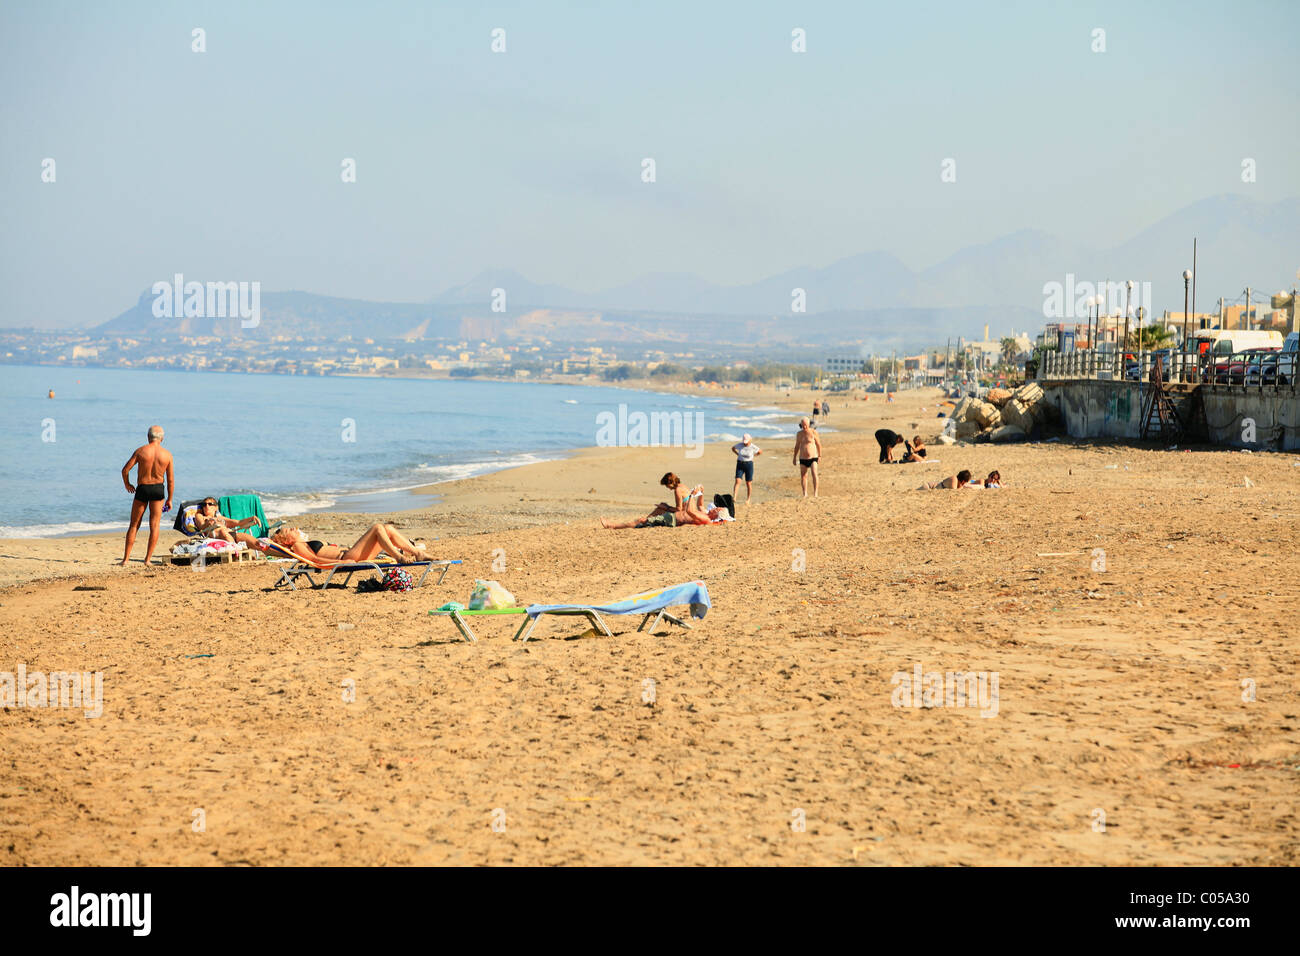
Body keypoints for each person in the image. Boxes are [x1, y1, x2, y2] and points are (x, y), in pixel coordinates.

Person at [120, 425, 174, 566]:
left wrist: (128, 484)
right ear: (162, 438)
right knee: (155, 525)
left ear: (148, 437)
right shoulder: (167, 455)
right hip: (158, 489)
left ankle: (125, 559)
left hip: (142, 488)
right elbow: (170, 480)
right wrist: (170, 499)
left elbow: (125, 470)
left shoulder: (141, 451)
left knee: (134, 524)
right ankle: (148, 560)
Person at [268, 523, 432, 564]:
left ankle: (418, 554)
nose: (294, 528)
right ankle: (398, 556)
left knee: (387, 528)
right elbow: (315, 561)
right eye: (289, 529)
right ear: (285, 540)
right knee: (377, 528)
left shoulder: (304, 542)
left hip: (352, 554)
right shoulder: (298, 546)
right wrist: (340, 562)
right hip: (348, 556)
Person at [600, 472, 710, 529]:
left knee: (659, 509)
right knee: (659, 509)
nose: (668, 488)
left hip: (683, 516)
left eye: (667, 486)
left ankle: (640, 522)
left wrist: (665, 507)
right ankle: (645, 521)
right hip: (688, 515)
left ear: (670, 483)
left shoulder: (677, 490)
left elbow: (679, 509)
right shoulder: (684, 487)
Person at [192, 498, 261, 547]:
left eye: (210, 504)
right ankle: (237, 550)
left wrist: (252, 518)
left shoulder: (220, 518)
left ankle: (270, 553)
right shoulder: (200, 516)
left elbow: (238, 522)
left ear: (216, 507)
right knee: (222, 531)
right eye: (204, 504)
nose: (207, 506)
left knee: (257, 543)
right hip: (218, 537)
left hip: (232, 534)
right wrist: (208, 523)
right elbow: (201, 526)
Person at [792, 418, 822, 498]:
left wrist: (819, 455)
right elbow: (797, 446)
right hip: (803, 458)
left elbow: (818, 444)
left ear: (808, 424)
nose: (804, 426)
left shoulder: (813, 432)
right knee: (803, 475)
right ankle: (805, 494)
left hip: (813, 457)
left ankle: (816, 493)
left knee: (814, 473)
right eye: (803, 425)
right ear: (801, 425)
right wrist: (794, 457)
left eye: (805, 425)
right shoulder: (799, 434)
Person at [731, 433, 762, 504]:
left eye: (747, 442)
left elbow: (760, 451)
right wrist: (737, 454)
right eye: (744, 442)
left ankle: (748, 499)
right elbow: (733, 448)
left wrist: (754, 456)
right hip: (740, 464)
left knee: (748, 483)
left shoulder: (753, 446)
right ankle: (734, 497)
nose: (745, 443)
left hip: (749, 465)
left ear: (750, 440)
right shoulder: (740, 445)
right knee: (737, 480)